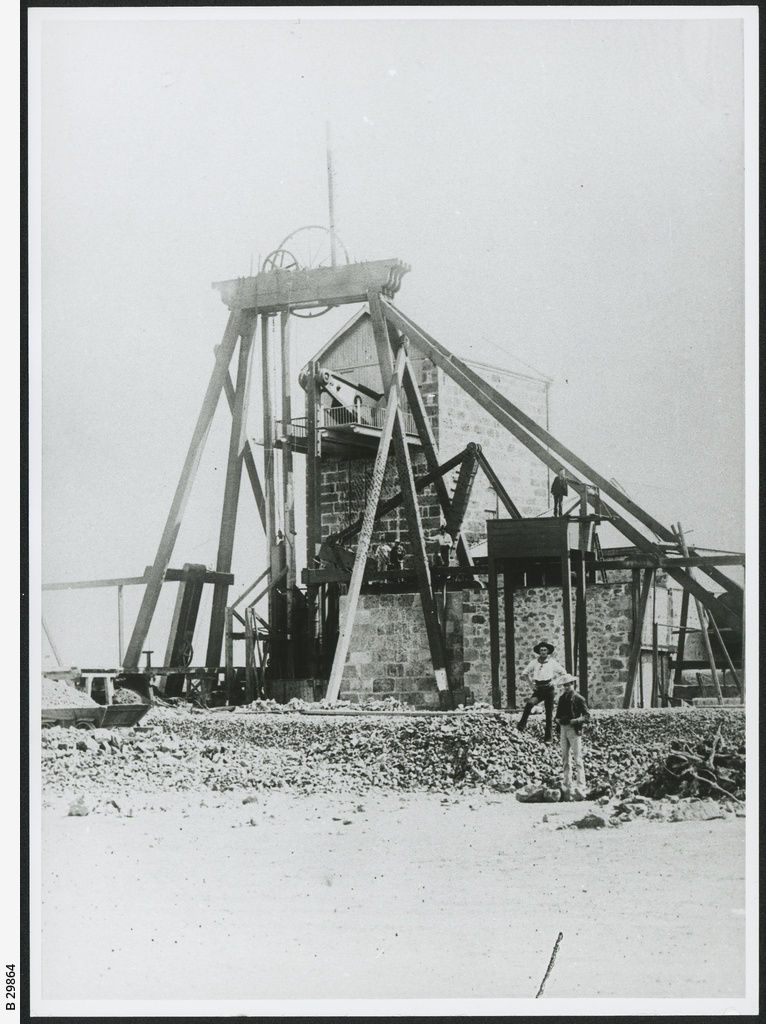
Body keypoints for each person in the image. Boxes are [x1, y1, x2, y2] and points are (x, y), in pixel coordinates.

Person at [517, 641, 568, 742]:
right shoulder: (534, 662)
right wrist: (531, 684)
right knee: (530, 703)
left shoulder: (552, 662)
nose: (543, 652)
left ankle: (548, 738)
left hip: (549, 689)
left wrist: (555, 682)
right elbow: (525, 673)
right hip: (538, 689)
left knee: (549, 714)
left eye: (545, 650)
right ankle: (521, 725)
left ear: (548, 651)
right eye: (541, 650)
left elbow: (563, 672)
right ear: (539, 652)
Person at [554, 674, 590, 799]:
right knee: (565, 757)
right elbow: (557, 715)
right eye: (565, 685)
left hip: (574, 729)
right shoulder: (562, 698)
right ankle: (567, 783)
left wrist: (576, 721)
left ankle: (581, 784)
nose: (566, 687)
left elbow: (587, 715)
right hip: (563, 728)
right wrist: (558, 720)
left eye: (568, 685)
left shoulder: (579, 698)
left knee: (577, 757)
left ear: (573, 685)